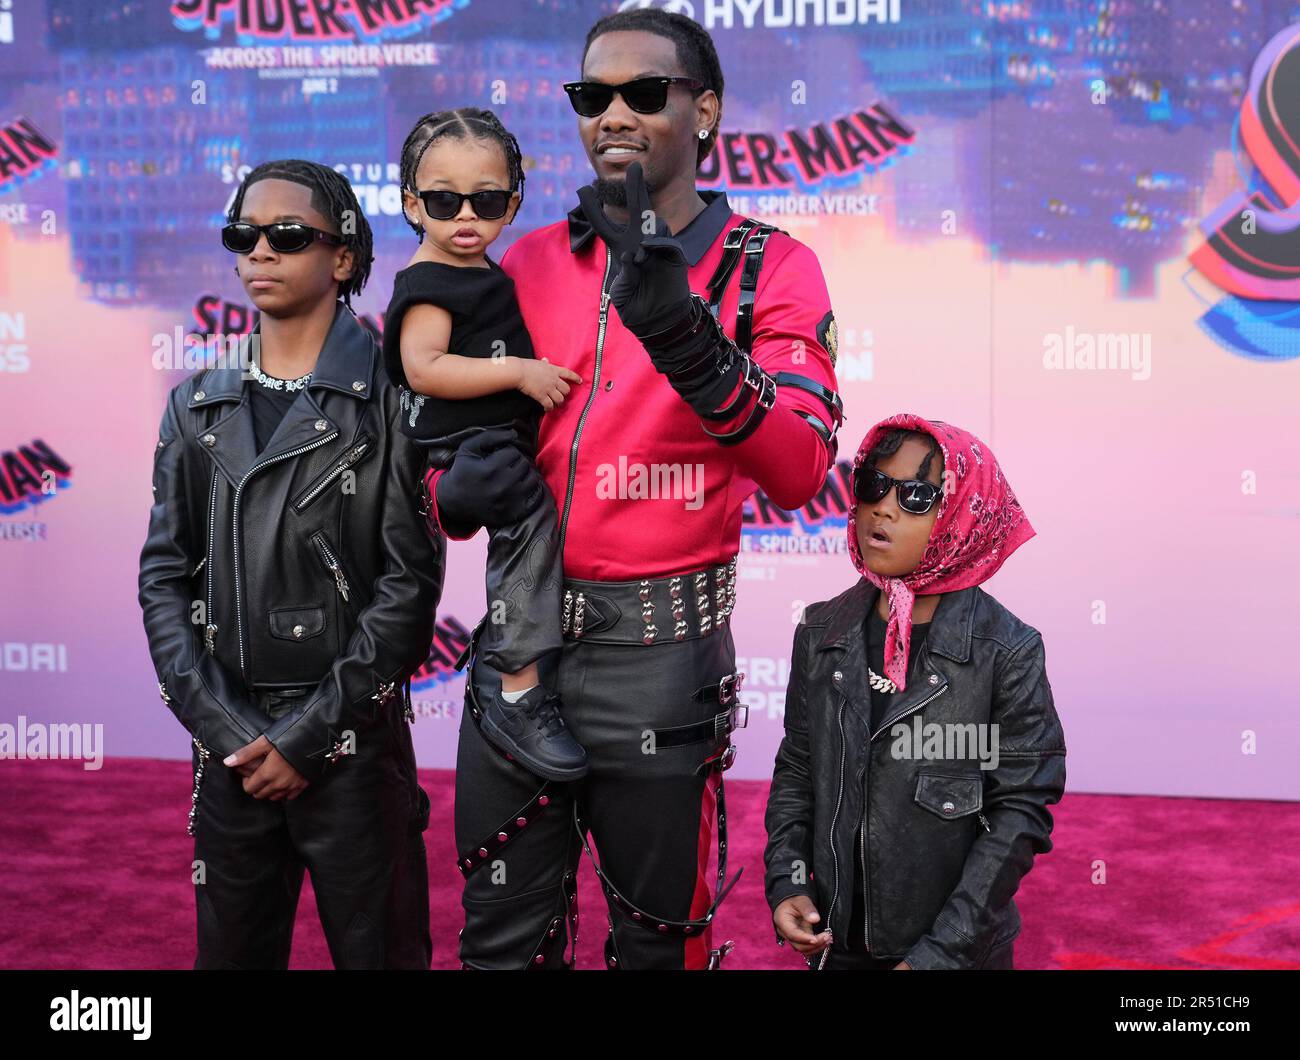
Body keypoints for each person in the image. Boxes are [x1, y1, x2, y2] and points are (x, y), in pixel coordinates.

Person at [426, 8, 844, 969]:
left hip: (662, 662)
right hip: (514, 656)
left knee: (659, 953)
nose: (613, 112)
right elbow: (438, 457)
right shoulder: (524, 262)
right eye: (592, 95)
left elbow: (800, 469)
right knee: (500, 946)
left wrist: (687, 337)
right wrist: (445, 490)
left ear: (705, 112)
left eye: (644, 92)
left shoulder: (773, 267)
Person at [138, 159, 443, 969]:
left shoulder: (394, 397)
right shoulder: (196, 401)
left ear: (343, 258)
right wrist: (232, 734)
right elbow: (164, 579)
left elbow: (408, 592)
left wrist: (307, 740)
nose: (259, 252)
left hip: (353, 746)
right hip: (230, 750)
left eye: (287, 235)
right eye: (244, 234)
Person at [763, 413, 1067, 970]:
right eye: (873, 485)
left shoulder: (1008, 652)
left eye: (917, 497)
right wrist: (788, 883)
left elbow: (1020, 811)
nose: (883, 508)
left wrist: (940, 953)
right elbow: (799, 770)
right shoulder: (821, 631)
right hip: (838, 949)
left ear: (961, 516)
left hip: (954, 955)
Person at [383, 109, 587, 782]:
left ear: (514, 202)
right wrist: (519, 374)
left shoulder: (474, 270)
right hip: (471, 452)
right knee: (532, 532)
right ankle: (519, 685)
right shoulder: (428, 282)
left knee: (523, 540)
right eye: (444, 201)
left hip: (478, 456)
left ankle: (521, 674)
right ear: (412, 203)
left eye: (487, 200)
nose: (465, 215)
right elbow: (423, 367)